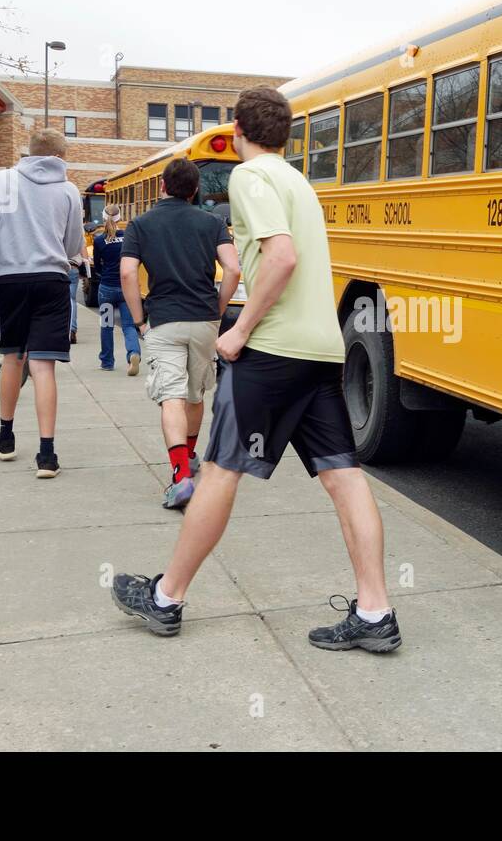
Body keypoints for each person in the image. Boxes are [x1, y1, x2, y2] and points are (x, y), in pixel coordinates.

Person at [111, 87, 402, 653]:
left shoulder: (249, 178)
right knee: (345, 478)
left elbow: (282, 256)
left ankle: (166, 598)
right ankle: (375, 612)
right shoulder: (300, 183)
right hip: (321, 349)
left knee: (220, 470)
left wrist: (241, 330)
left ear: (239, 128)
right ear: (285, 132)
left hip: (272, 350)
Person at [119, 158, 240, 509]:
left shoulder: (141, 224)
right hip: (204, 319)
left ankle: (180, 476)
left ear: (162, 187)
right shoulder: (212, 222)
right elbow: (232, 268)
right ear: (195, 190)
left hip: (165, 320)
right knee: (195, 393)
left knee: (169, 396)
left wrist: (140, 319)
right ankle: (189, 455)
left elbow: (128, 274)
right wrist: (217, 309)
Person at [0, 128, 84, 480]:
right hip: (52, 280)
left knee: (13, 356)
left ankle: (6, 436)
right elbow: (74, 241)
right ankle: (47, 454)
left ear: (28, 153)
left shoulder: (1, 183)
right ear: (60, 156)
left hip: (10, 280)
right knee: (44, 366)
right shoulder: (68, 190)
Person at [92, 203, 141, 374]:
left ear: (104, 217)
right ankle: (134, 353)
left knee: (106, 326)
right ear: (119, 218)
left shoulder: (99, 241)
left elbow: (97, 266)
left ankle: (107, 361)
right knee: (128, 325)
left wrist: (102, 273)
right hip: (126, 289)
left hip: (106, 289)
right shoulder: (129, 237)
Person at [67, 248, 85, 344]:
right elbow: (83, 248)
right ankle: (72, 330)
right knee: (71, 299)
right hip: (73, 267)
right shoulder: (76, 232)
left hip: (58, 267)